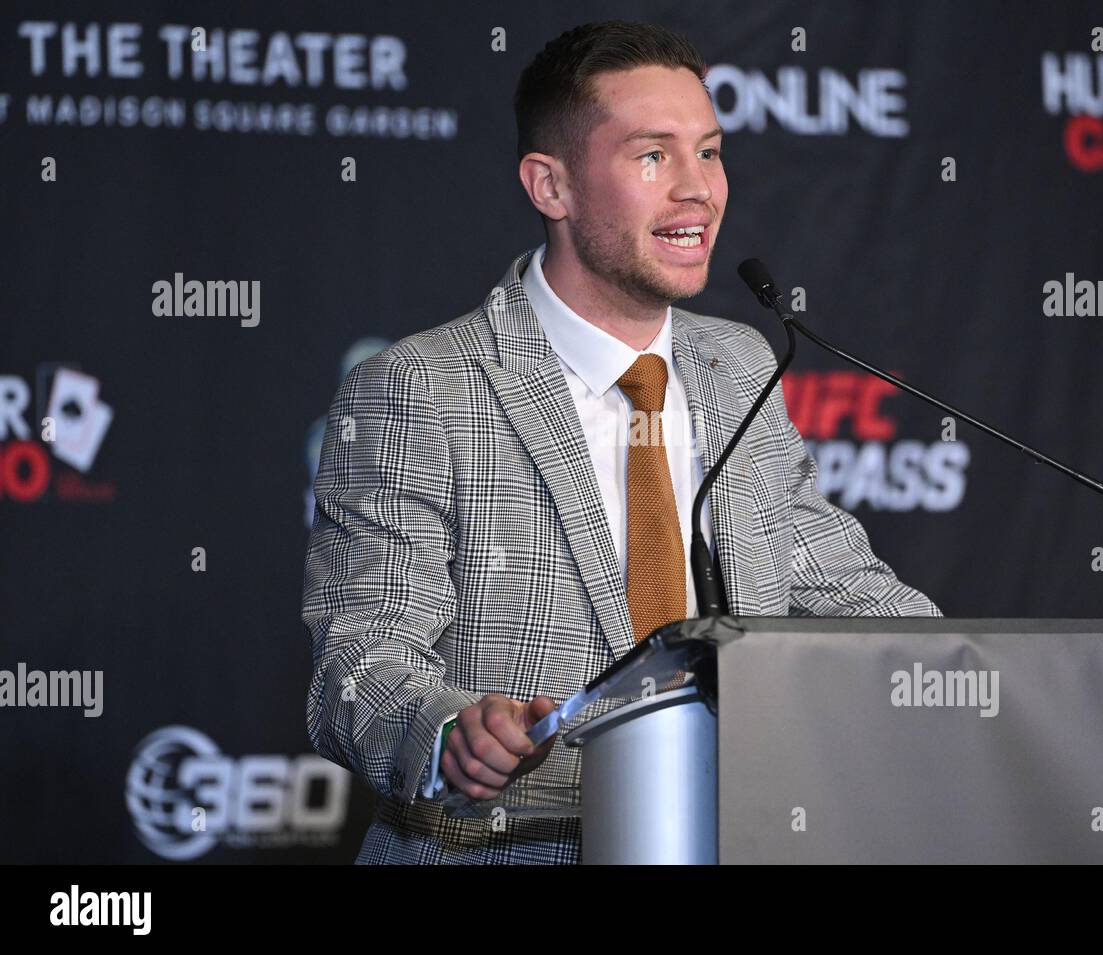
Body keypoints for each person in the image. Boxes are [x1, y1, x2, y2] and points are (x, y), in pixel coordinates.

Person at [301, 19, 941, 865]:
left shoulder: (740, 363)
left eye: (709, 153)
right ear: (551, 187)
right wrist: (451, 728)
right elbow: (359, 661)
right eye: (653, 156)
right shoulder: (421, 387)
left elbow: (847, 593)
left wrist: (975, 678)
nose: (699, 190)